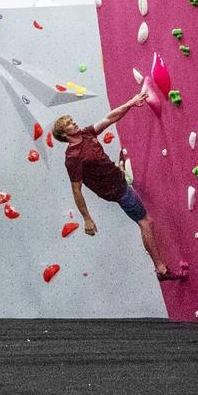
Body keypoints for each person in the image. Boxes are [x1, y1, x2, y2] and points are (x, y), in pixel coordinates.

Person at [52, 95, 180, 281]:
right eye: (70, 124)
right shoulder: (73, 158)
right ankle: (160, 269)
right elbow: (76, 190)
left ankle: (120, 169)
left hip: (117, 178)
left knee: (132, 196)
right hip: (117, 190)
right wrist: (87, 219)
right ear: (65, 134)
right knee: (146, 222)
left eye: (72, 120)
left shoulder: (87, 134)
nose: (74, 123)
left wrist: (130, 102)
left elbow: (110, 118)